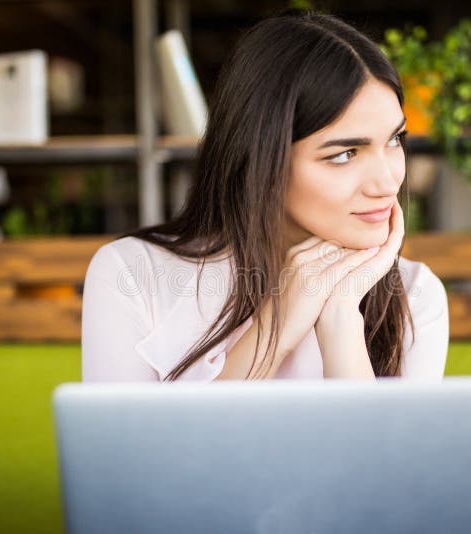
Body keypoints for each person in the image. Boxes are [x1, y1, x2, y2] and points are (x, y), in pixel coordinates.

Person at [82, 10, 449, 382]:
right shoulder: (133, 275)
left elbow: (371, 429)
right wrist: (279, 321)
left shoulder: (415, 295)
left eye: (395, 139)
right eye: (344, 154)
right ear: (261, 157)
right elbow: (145, 428)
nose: (387, 182)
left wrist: (341, 318)